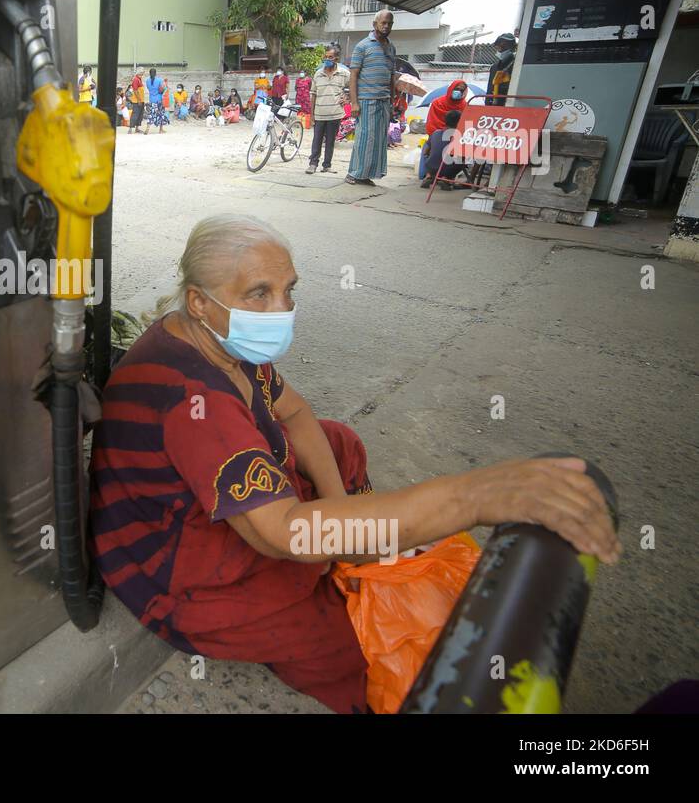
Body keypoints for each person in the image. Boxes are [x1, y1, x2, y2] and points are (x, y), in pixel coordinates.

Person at [89, 214, 620, 713]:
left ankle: (346, 546)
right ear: (198, 302)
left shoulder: (221, 339)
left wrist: (342, 517)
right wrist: (473, 497)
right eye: (259, 293)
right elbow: (285, 536)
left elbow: (295, 412)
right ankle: (339, 586)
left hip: (220, 503)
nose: (281, 308)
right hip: (180, 569)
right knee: (365, 650)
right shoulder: (193, 401)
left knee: (337, 443)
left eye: (288, 289)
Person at [346, 10, 398, 187]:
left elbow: (392, 76)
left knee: (379, 140)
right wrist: (354, 102)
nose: (386, 26)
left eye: (389, 23)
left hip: (384, 100)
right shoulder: (362, 46)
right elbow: (353, 76)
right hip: (366, 99)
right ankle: (353, 173)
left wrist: (391, 102)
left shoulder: (391, 48)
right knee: (364, 137)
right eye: (383, 23)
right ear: (374, 24)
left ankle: (366, 175)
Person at [306, 47, 348, 175]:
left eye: (330, 57)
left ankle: (327, 165)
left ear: (336, 59)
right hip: (319, 113)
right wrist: (312, 114)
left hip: (335, 113)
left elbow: (354, 86)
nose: (327, 59)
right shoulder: (318, 74)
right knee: (317, 140)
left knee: (330, 141)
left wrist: (348, 98)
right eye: (326, 57)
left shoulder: (344, 74)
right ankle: (313, 164)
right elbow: (313, 94)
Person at [419, 109, 470, 189]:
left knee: (430, 153)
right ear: (460, 122)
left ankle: (429, 176)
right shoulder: (460, 137)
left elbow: (426, 151)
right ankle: (446, 178)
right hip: (448, 168)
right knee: (461, 159)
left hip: (431, 166)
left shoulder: (436, 133)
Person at [486, 33, 517, 106]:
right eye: (498, 46)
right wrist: (487, 105)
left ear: (512, 48)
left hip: (509, 105)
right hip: (492, 105)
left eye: (504, 46)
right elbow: (490, 89)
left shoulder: (516, 66)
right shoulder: (494, 67)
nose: (500, 49)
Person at [143, 67, 168, 134]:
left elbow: (149, 89)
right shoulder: (159, 80)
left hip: (151, 100)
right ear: (156, 73)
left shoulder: (147, 81)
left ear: (149, 73)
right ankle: (161, 129)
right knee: (161, 114)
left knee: (151, 114)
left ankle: (147, 129)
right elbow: (164, 89)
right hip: (159, 100)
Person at [128, 70, 145, 134]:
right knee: (135, 114)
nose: (142, 74)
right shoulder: (136, 79)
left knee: (140, 115)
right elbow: (135, 91)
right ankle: (130, 129)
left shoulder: (139, 79)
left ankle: (137, 128)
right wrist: (139, 100)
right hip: (137, 101)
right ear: (138, 73)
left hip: (141, 100)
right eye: (141, 73)